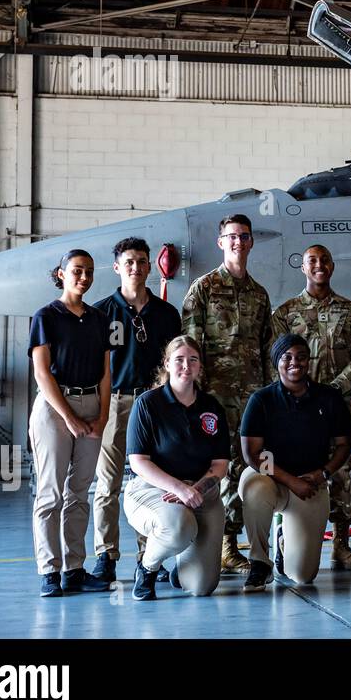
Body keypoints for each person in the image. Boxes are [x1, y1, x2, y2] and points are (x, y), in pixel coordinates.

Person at [270, 244, 351, 572]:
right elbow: (275, 361)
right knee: (296, 468)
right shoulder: (285, 314)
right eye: (312, 261)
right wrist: (305, 393)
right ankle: (287, 539)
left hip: (341, 406)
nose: (319, 265)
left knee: (342, 472)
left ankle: (341, 544)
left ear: (332, 265)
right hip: (298, 409)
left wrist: (332, 391)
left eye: (324, 260)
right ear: (302, 267)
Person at [180, 214, 273, 573]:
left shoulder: (259, 294)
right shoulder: (203, 289)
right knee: (217, 469)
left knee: (246, 466)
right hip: (213, 398)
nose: (237, 242)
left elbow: (266, 350)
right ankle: (219, 544)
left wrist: (267, 397)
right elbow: (189, 346)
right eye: (231, 236)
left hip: (250, 398)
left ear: (251, 242)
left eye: (244, 236)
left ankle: (236, 542)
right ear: (221, 243)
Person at [90, 237, 182, 584]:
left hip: (153, 406)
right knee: (108, 483)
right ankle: (106, 555)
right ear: (117, 267)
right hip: (115, 402)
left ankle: (150, 556)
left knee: (150, 482)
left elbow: (173, 364)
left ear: (149, 266)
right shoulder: (101, 313)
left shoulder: (166, 314)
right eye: (129, 261)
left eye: (142, 261)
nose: (136, 267)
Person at [29, 249, 114, 597]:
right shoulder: (45, 316)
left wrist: (103, 415)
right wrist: (69, 417)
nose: (84, 277)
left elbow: (107, 372)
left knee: (79, 492)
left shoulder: (99, 318)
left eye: (90, 272)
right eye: (77, 271)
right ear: (61, 273)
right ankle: (50, 571)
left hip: (92, 402)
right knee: (50, 493)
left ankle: (74, 570)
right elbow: (41, 372)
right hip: (54, 408)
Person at [239, 334, 351, 589]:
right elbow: (252, 455)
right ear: (276, 362)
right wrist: (290, 481)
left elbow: (344, 445)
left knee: (302, 576)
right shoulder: (262, 400)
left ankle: (283, 539)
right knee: (255, 490)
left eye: (301, 357)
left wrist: (323, 473)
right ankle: (259, 562)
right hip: (268, 477)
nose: (295, 362)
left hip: (310, 482)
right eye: (287, 357)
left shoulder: (328, 398)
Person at [124, 335, 231, 600]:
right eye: (179, 359)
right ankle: (147, 569)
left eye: (193, 360)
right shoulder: (148, 403)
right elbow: (139, 462)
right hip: (153, 489)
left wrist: (194, 489)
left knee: (201, 587)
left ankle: (184, 568)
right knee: (179, 526)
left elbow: (220, 465)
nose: (186, 365)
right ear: (167, 364)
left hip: (200, 492)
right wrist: (180, 489)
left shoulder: (212, 406)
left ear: (199, 366)